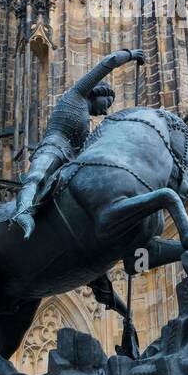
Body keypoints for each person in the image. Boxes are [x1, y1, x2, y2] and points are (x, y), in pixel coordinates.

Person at [11, 47, 144, 238]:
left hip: (70, 161)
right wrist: (131, 55)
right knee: (38, 176)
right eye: (107, 104)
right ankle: (22, 212)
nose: (106, 111)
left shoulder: (87, 127)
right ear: (98, 94)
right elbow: (109, 61)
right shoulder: (77, 95)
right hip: (54, 147)